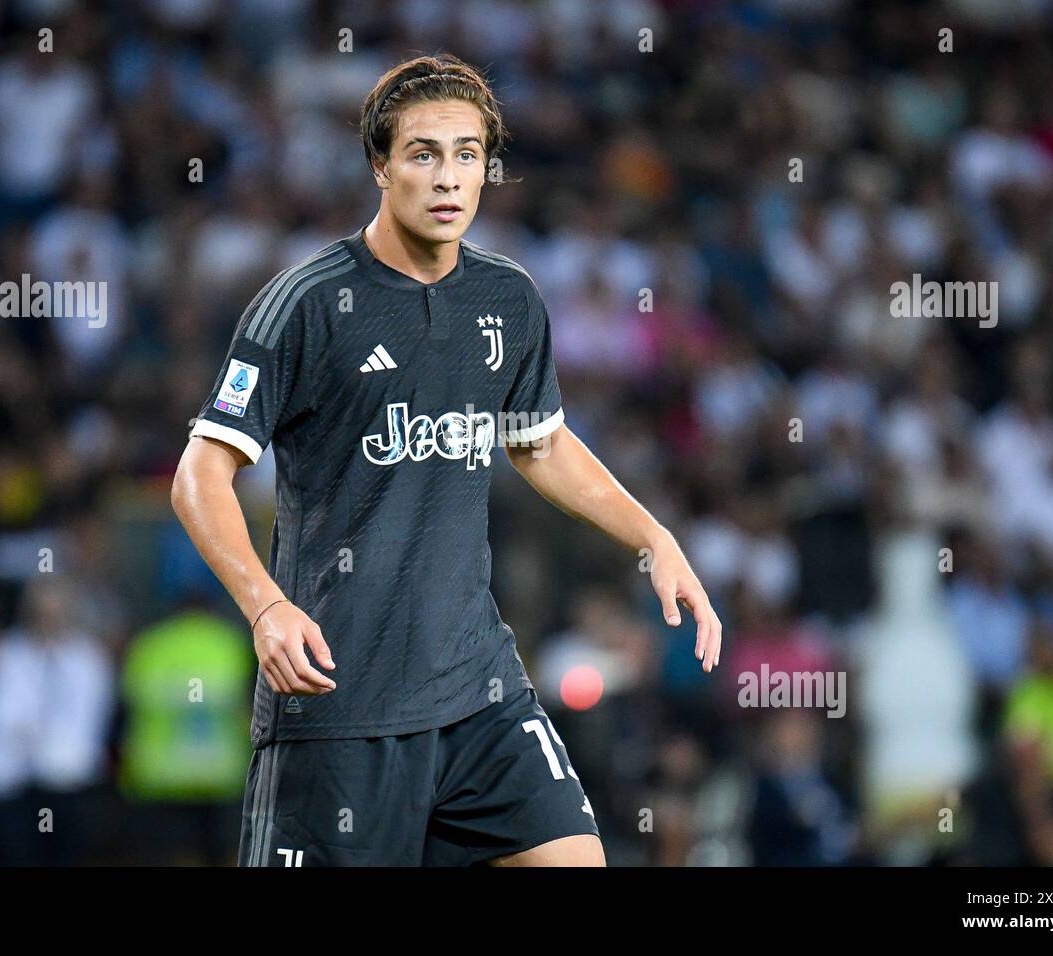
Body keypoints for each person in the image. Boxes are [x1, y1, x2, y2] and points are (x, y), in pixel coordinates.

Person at [171, 54, 721, 867]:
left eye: (468, 155)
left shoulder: (507, 300)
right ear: (380, 166)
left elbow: (540, 441)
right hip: (340, 698)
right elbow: (199, 472)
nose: (448, 177)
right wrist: (265, 607)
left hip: (477, 688)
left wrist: (654, 536)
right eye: (423, 153)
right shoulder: (307, 305)